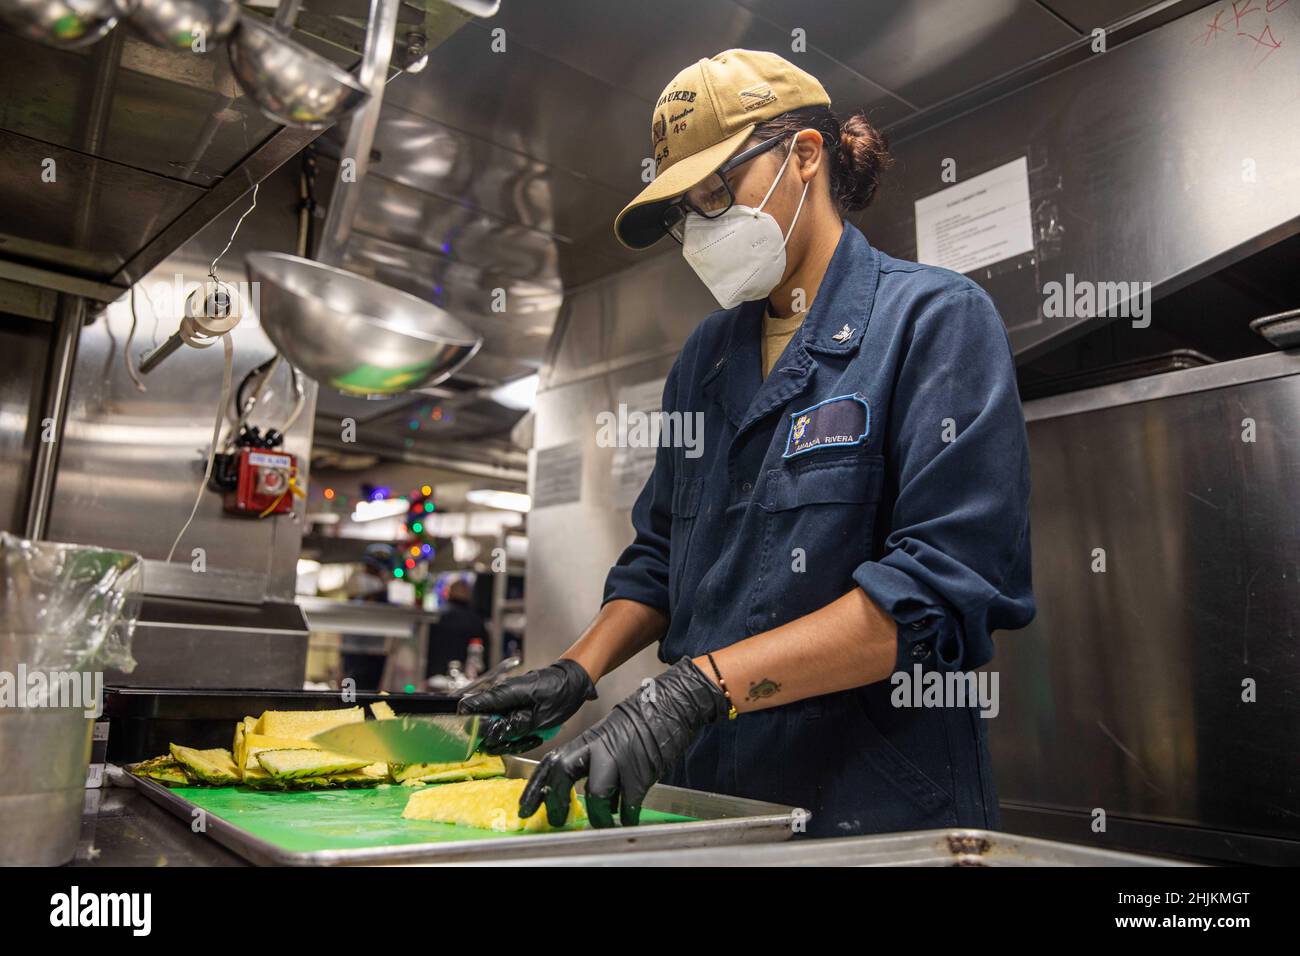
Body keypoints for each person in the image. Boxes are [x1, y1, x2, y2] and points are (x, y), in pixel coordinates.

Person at [462, 49, 1035, 837]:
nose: (701, 227)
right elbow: (661, 556)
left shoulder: (933, 321)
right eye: (684, 210)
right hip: (711, 802)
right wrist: (579, 667)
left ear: (805, 155)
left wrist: (699, 688)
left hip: (870, 804)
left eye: (716, 191)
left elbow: (938, 591)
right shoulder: (705, 359)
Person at [338, 543, 394, 691]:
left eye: (375, 570)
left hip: (375, 657)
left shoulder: (389, 599)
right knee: (349, 699)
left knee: (369, 699)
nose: (368, 573)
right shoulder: (356, 595)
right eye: (368, 568)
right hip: (352, 655)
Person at [425, 579, 488, 680]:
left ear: (449, 592)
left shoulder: (438, 616)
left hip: (434, 675)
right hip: (466, 677)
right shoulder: (476, 620)